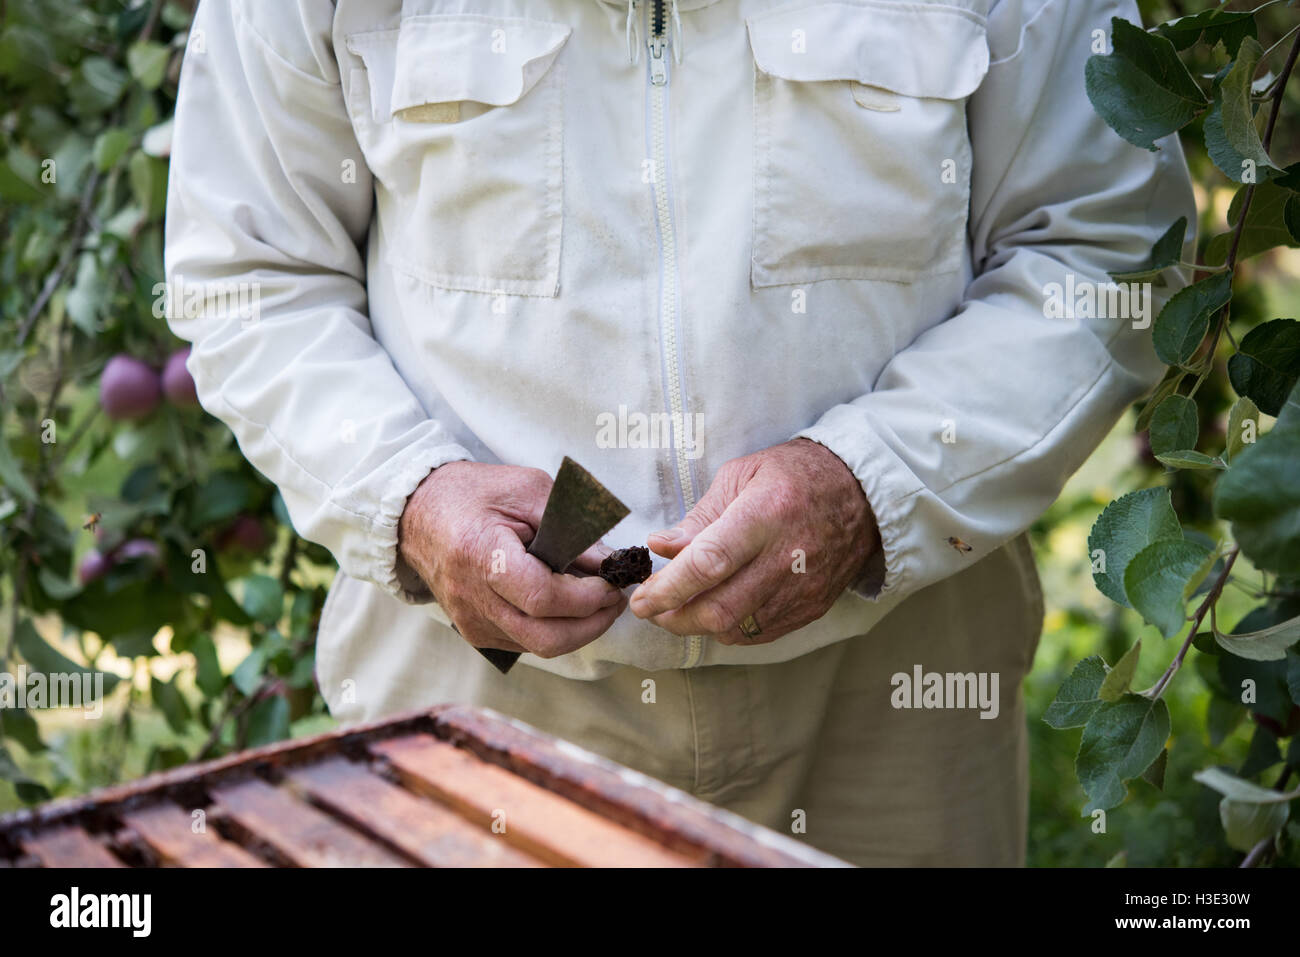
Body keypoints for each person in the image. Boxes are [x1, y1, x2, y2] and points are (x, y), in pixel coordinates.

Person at [165, 0, 1195, 866]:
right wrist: (408, 494)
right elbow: (250, 276)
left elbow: (1102, 252)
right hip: (466, 697)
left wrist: (870, 485)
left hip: (887, 705)